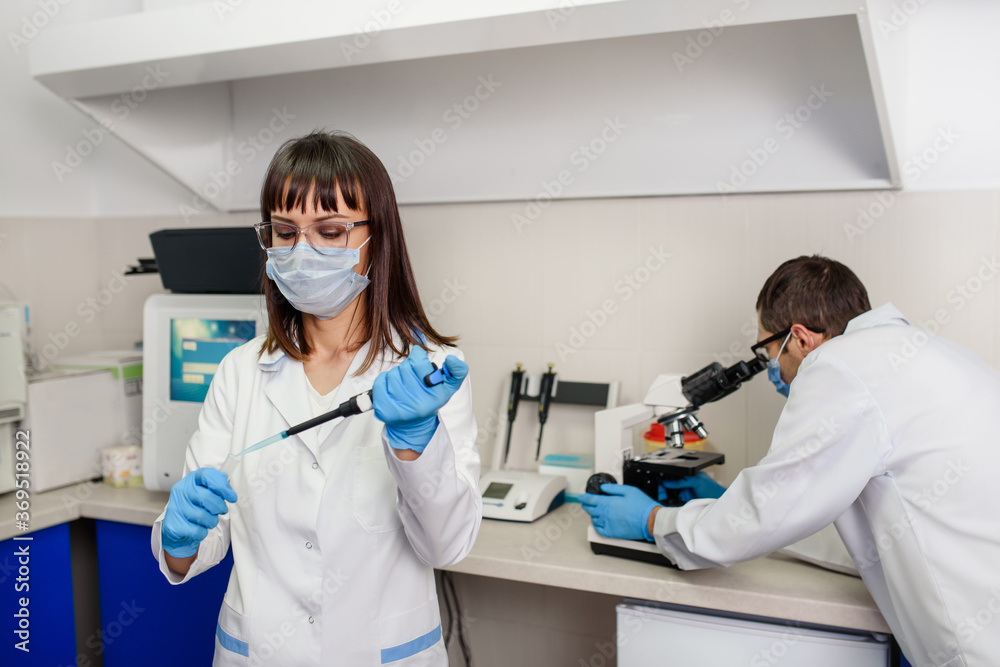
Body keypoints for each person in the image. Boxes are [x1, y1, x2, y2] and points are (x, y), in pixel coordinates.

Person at [151, 131, 481, 666]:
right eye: (285, 232)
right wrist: (179, 534)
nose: (302, 251)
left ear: (380, 238)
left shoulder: (428, 375)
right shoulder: (240, 373)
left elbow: (448, 547)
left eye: (330, 231)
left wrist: (418, 446)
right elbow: (195, 549)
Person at [580, 255, 1000, 667]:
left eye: (770, 354)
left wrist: (652, 521)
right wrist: (725, 501)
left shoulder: (839, 367)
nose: (773, 371)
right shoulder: (933, 352)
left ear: (800, 338)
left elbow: (761, 515)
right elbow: (877, 525)